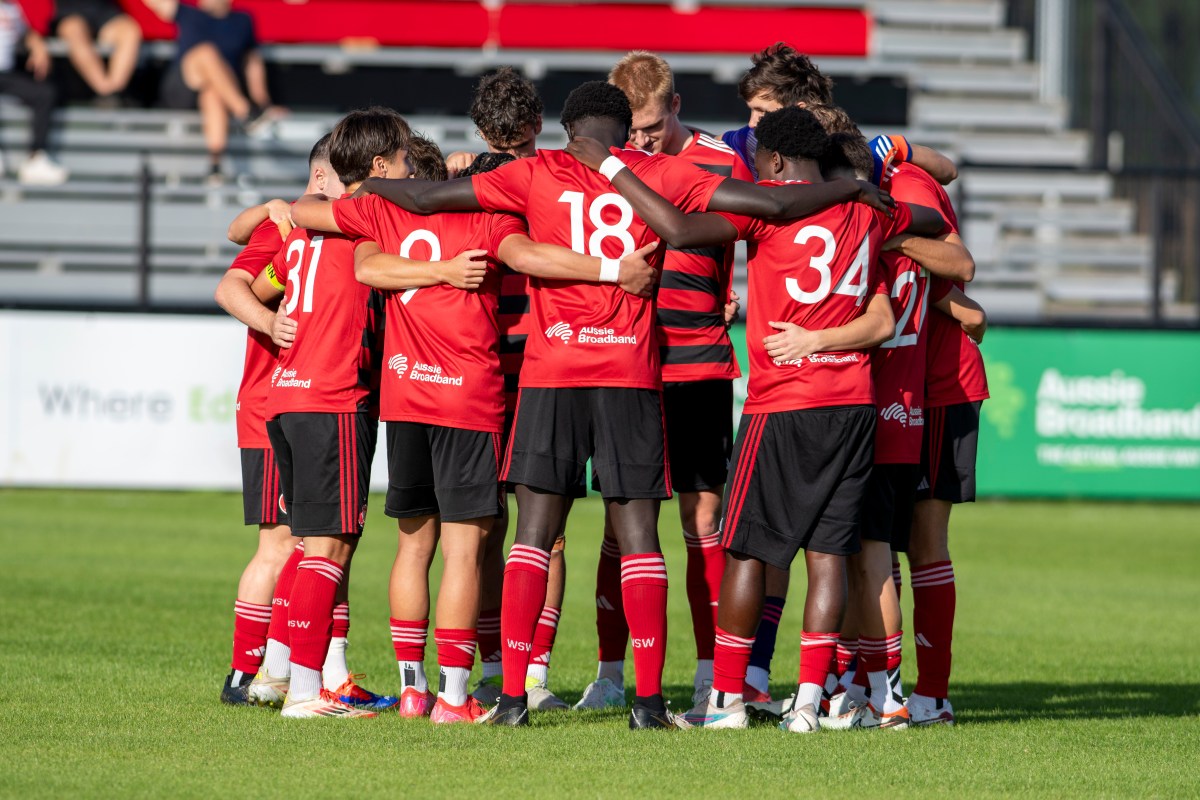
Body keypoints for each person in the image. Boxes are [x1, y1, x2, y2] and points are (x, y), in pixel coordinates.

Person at [360, 80, 891, 729]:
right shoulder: (664, 170)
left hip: (552, 371)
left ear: (569, 130)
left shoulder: (537, 171)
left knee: (533, 534)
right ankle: (645, 702)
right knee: (641, 536)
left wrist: (369, 188)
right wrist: (853, 188)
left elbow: (423, 195)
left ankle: (513, 699)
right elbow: (771, 207)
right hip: (630, 372)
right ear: (623, 131)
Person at [569, 106, 946, 732]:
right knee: (829, 555)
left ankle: (728, 701)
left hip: (784, 403)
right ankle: (805, 706)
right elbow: (931, 218)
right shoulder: (867, 210)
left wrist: (610, 167)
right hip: (853, 403)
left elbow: (680, 231)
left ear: (772, 161)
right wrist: (886, 216)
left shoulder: (768, 206)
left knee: (745, 551)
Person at [578, 50, 752, 710]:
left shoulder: (719, 163)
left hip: (697, 357)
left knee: (702, 516)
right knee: (620, 525)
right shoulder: (606, 160)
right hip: (622, 358)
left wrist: (727, 296)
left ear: (676, 108)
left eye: (651, 128)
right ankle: (609, 672)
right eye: (633, 129)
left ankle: (711, 673)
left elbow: (740, 237)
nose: (641, 141)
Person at [243, 107, 412, 718]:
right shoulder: (366, 221)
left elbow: (252, 282)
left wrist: (268, 319)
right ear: (377, 166)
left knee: (306, 543)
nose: (409, 168)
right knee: (330, 550)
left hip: (286, 397)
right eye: (401, 159)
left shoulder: (301, 237)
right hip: (332, 399)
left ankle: (278, 672)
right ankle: (309, 693)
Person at [868, 135, 990, 727]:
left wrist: (894, 239)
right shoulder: (889, 173)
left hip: (941, 385)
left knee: (923, 542)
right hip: (904, 382)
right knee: (881, 537)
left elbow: (960, 262)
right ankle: (873, 685)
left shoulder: (906, 188)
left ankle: (931, 694)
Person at [144, 0, 281, 185]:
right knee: (206, 53)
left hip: (221, 91)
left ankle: (215, 165)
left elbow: (252, 64)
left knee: (213, 94)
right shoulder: (187, 13)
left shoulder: (242, 20)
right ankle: (246, 113)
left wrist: (264, 103)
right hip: (184, 85)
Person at [0, 0, 67, 184]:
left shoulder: (13, 8)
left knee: (44, 93)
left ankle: (36, 157)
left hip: (6, 73)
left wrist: (37, 44)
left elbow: (26, 33)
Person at [444, 66, 542, 178]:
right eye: (501, 149)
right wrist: (449, 176)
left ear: (538, 124)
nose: (512, 160)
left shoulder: (559, 173)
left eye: (522, 146)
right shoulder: (467, 171)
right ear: (482, 132)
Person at [50, 0, 140, 103]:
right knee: (73, 31)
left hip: (102, 11)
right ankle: (104, 90)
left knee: (129, 31)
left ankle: (115, 90)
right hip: (68, 12)